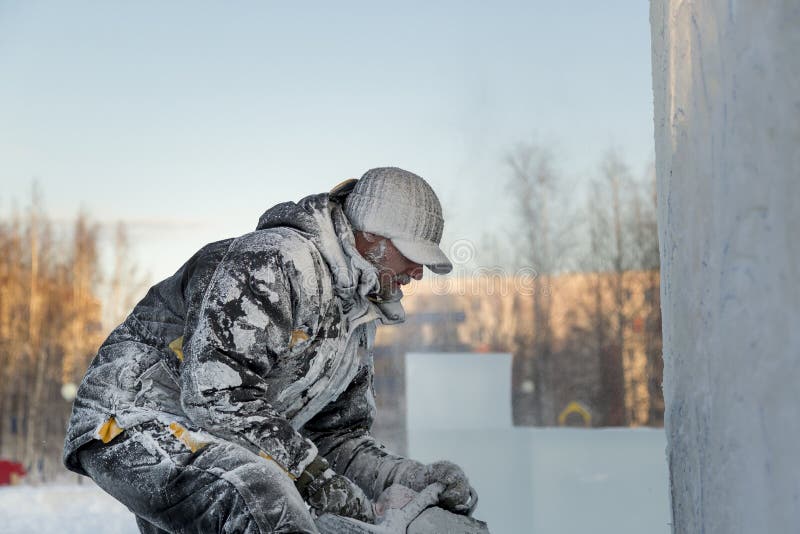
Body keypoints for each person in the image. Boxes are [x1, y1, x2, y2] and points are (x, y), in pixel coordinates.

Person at [63, 167, 477, 533]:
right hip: (134, 418)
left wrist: (407, 478)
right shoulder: (277, 260)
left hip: (218, 439)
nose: (418, 272)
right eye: (413, 255)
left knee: (284, 497)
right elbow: (217, 394)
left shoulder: (356, 319)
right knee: (264, 499)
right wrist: (315, 478)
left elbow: (336, 438)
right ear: (372, 235)